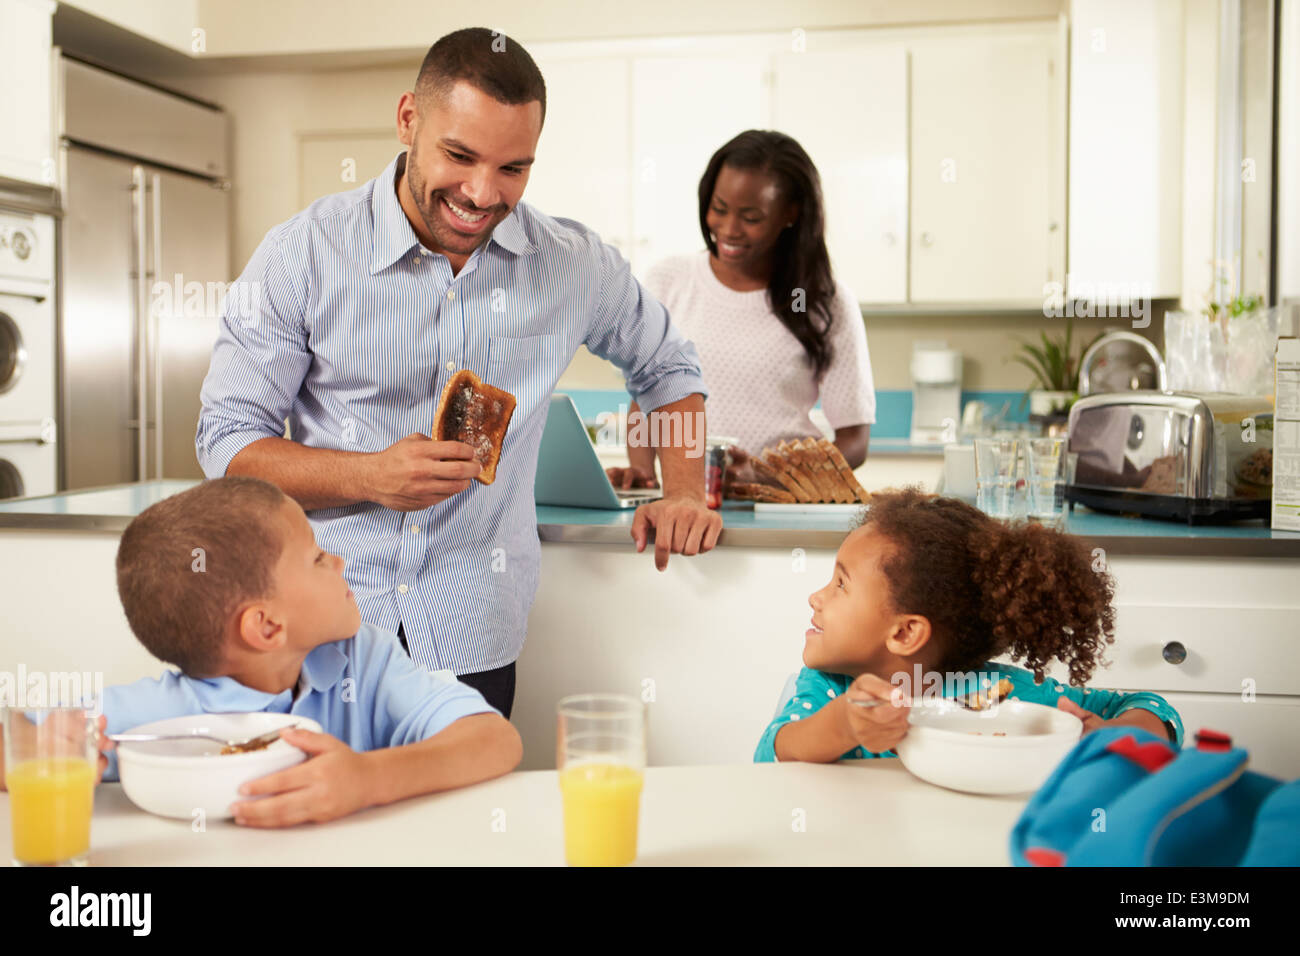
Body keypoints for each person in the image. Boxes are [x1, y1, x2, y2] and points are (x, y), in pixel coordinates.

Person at [197, 28, 722, 719]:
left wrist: (683, 490)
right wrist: (370, 476)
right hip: (320, 633)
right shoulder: (301, 256)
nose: (481, 194)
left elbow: (669, 367)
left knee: (465, 825)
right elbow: (227, 447)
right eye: (460, 155)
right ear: (409, 119)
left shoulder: (573, 265)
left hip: (474, 637)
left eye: (514, 168)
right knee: (325, 820)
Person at [0, 477, 522, 827]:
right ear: (267, 626)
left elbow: (496, 739)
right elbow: (14, 739)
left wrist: (369, 780)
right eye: (317, 557)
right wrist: (40, 743)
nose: (339, 561)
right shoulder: (161, 716)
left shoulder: (361, 661)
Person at [755, 488, 1183, 763]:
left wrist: (1110, 733)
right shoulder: (831, 688)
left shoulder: (1007, 696)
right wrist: (844, 725)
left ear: (906, 633)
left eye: (841, 584)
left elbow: (1156, 710)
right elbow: (775, 752)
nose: (816, 596)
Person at [607, 130, 875, 493]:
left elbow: (854, 440)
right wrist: (643, 474)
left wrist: (766, 475)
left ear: (791, 214)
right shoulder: (670, 280)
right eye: (719, 209)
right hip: (686, 505)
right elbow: (645, 398)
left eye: (751, 217)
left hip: (778, 508)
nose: (729, 229)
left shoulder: (822, 302)